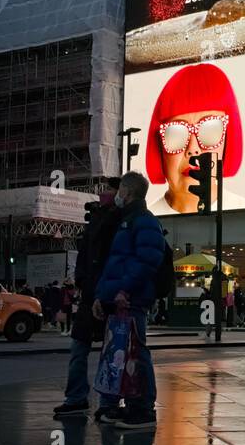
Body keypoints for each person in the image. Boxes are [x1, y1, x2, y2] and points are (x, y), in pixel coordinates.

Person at [92, 172, 165, 429]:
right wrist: (102, 297)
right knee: (120, 353)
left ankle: (143, 408)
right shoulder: (127, 220)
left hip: (130, 300)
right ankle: (123, 405)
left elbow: (147, 261)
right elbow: (114, 264)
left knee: (137, 353)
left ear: (128, 191)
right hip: (119, 298)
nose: (116, 194)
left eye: (120, 189)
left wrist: (124, 291)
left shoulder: (143, 221)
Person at [144, 62, 245, 215]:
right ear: (159, 144)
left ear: (228, 138)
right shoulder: (141, 222)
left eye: (210, 130)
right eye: (176, 133)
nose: (193, 149)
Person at [55, 179, 123, 419]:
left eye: (108, 189)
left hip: (107, 294)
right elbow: (85, 253)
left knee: (109, 351)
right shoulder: (96, 218)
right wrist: (81, 280)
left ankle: (106, 400)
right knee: (79, 348)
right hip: (90, 293)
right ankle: (77, 397)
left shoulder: (119, 219)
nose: (102, 192)